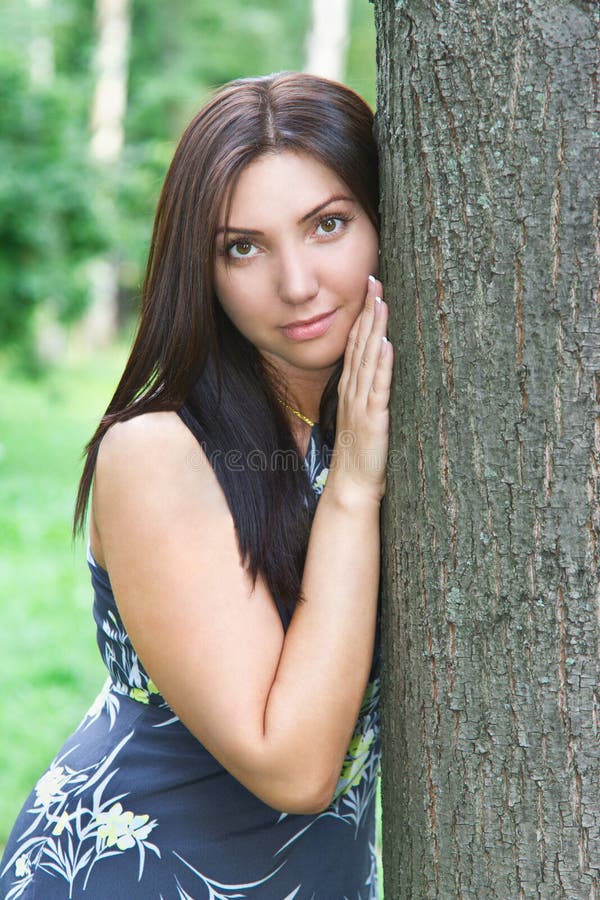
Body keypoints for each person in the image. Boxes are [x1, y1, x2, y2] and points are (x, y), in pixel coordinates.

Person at [0, 71, 392, 899]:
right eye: (242, 246)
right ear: (201, 269)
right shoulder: (159, 452)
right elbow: (291, 767)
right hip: (131, 874)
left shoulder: (403, 426)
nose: (297, 283)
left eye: (328, 225)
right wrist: (353, 489)